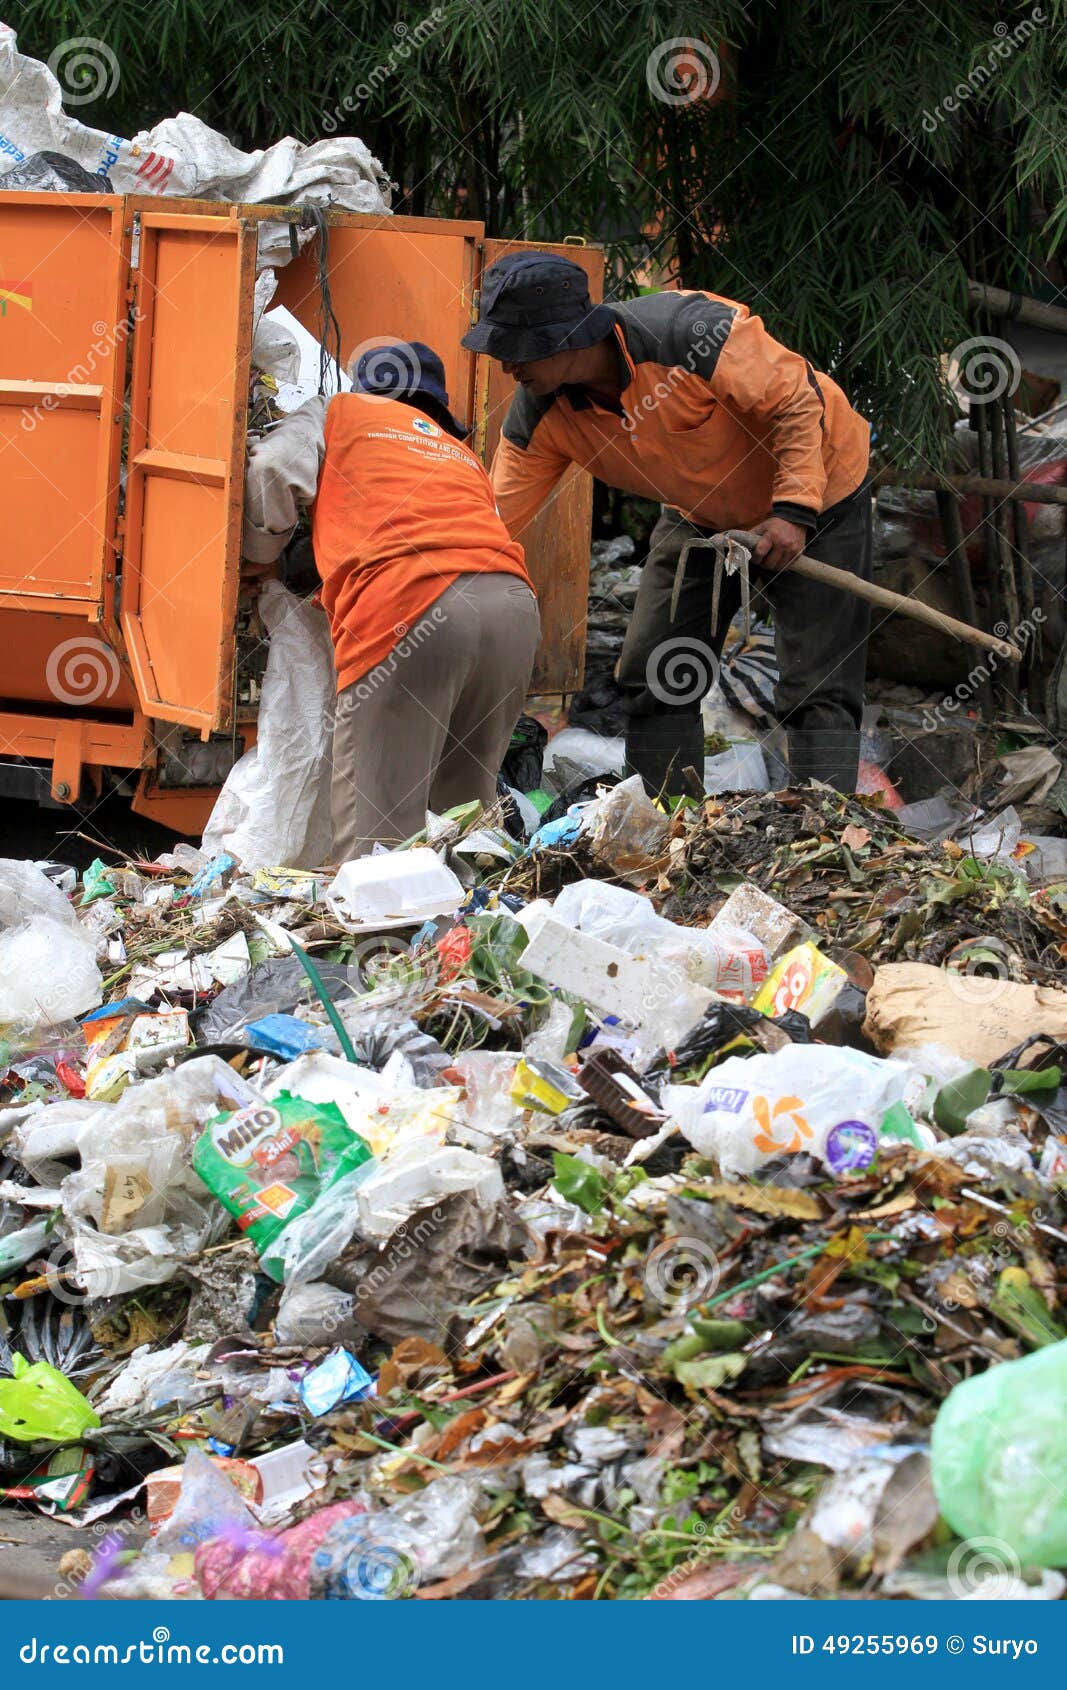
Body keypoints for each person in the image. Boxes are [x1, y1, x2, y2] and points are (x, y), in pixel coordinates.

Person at [463, 254, 872, 795]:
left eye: (513, 349)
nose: (505, 366)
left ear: (565, 337)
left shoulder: (689, 334)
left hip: (823, 492)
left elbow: (798, 402)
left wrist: (794, 509)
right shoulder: (539, 412)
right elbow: (492, 524)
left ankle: (825, 824)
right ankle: (665, 821)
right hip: (699, 515)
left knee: (817, 684)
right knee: (656, 671)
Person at [242, 341, 540, 858]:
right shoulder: (460, 453)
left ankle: (386, 914)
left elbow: (270, 468)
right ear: (437, 409)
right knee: (464, 815)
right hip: (513, 609)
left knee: (379, 835)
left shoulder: (339, 412)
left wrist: (259, 556)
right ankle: (471, 909)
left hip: (412, 607)